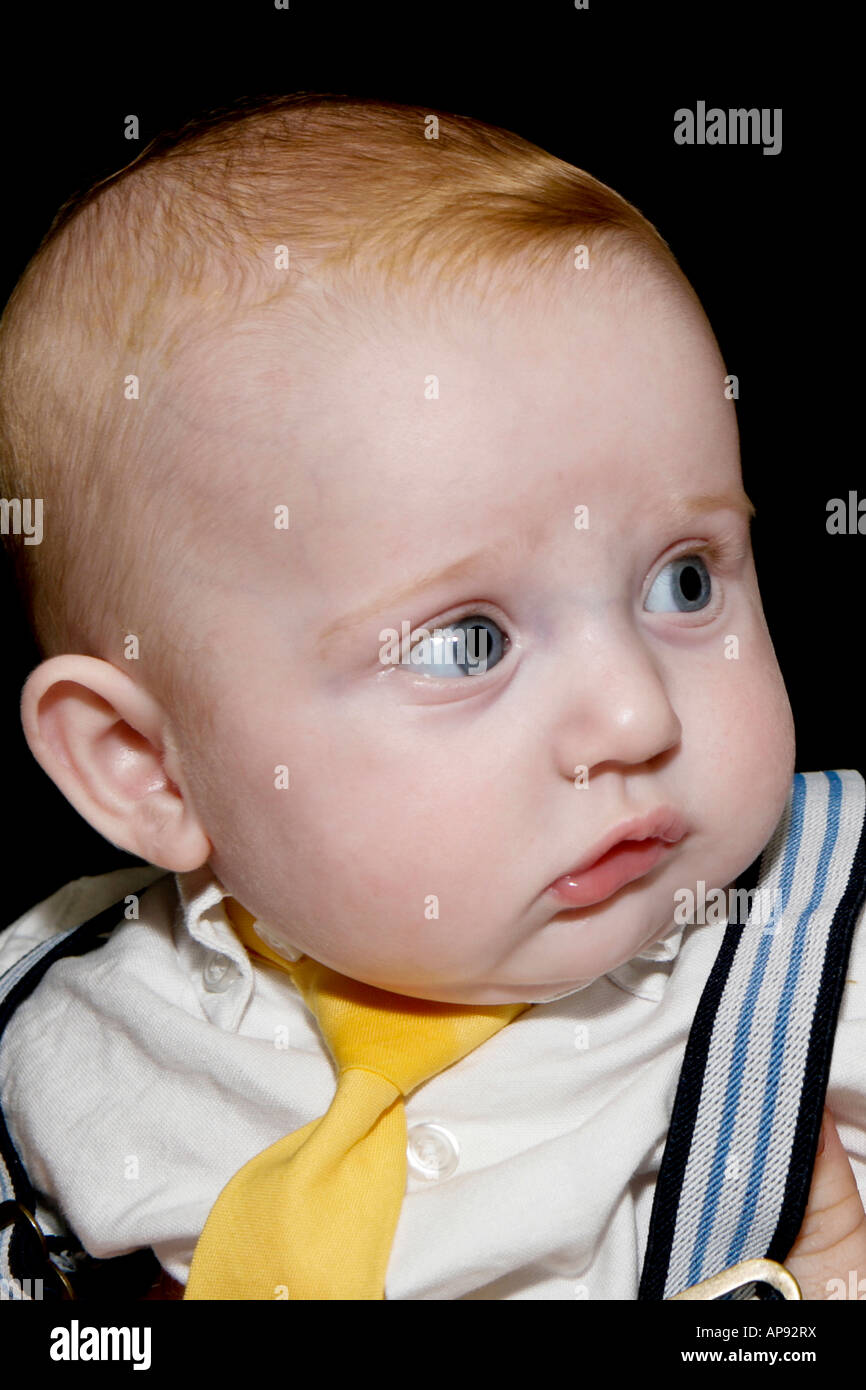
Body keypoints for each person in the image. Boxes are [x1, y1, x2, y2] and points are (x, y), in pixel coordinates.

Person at [0, 93, 863, 1301]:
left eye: (681, 579)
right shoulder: (54, 1034)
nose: (635, 717)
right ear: (144, 766)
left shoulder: (820, 967)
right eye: (466, 643)